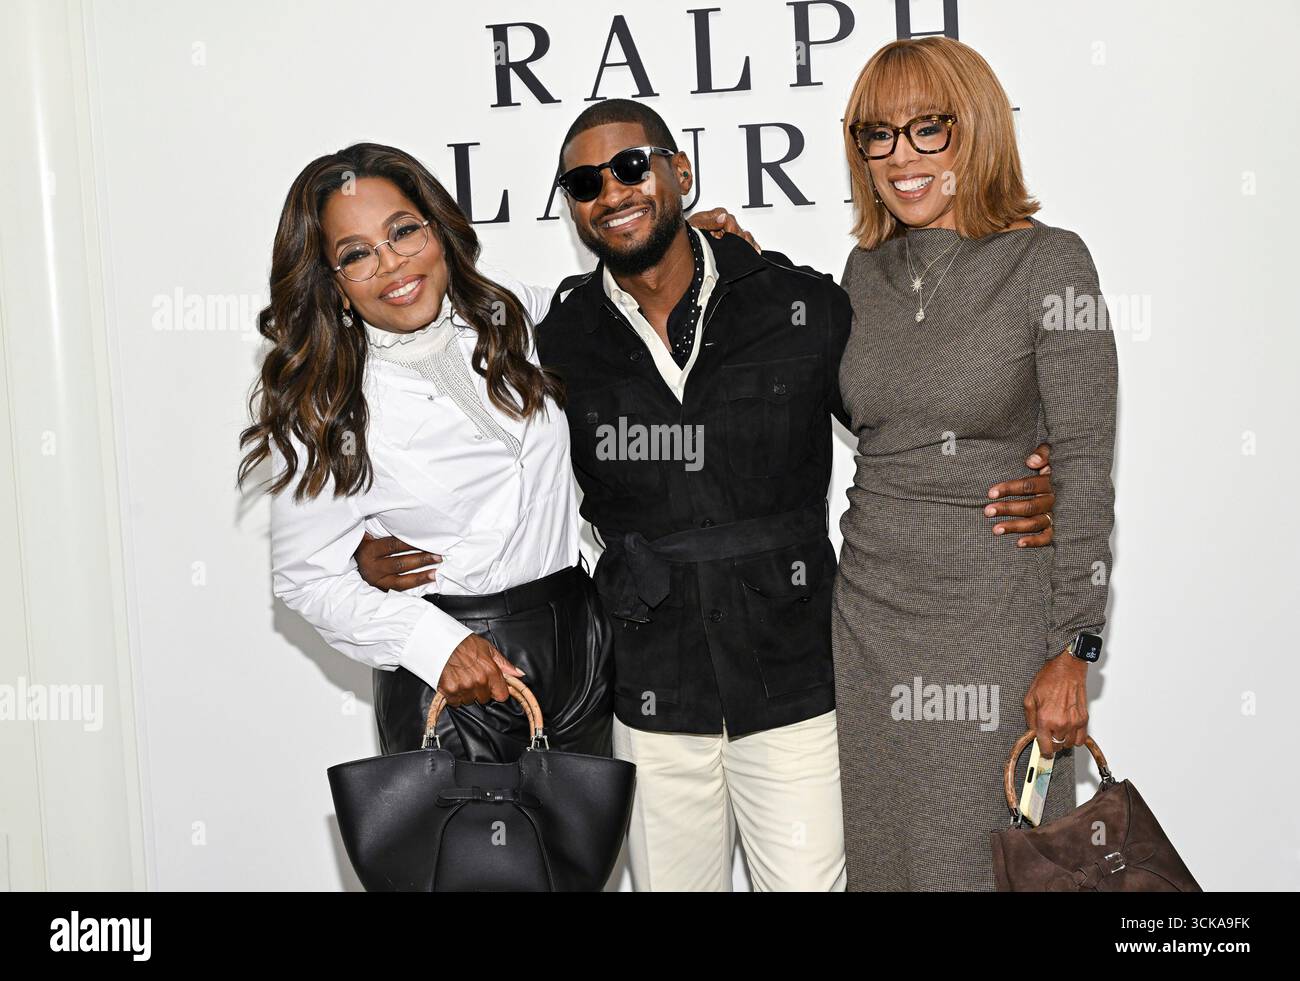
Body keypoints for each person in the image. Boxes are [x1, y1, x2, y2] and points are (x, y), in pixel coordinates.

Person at [360, 99, 1058, 891]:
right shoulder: (553, 339)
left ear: (678, 172)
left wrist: (1029, 474)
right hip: (648, 693)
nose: (612, 191)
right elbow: (485, 469)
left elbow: (910, 426)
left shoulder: (799, 306)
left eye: (631, 166)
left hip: (798, 683)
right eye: (585, 182)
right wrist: (365, 540)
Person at [240, 142, 750, 765]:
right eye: (356, 255)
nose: (392, 264)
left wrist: (669, 242)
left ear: (437, 230)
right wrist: (433, 643)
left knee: (580, 859)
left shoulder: (512, 317)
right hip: (455, 678)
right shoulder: (328, 403)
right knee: (470, 862)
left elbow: (603, 304)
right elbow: (305, 578)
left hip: (581, 651)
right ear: (334, 284)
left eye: (403, 232)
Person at [832, 37, 1118, 889]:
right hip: (869, 619)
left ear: (979, 129)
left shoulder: (1048, 262)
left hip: (992, 617)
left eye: (929, 129)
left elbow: (1085, 463)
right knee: (886, 860)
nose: (902, 157)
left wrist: (1075, 645)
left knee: (990, 860)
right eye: (877, 135)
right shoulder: (862, 271)